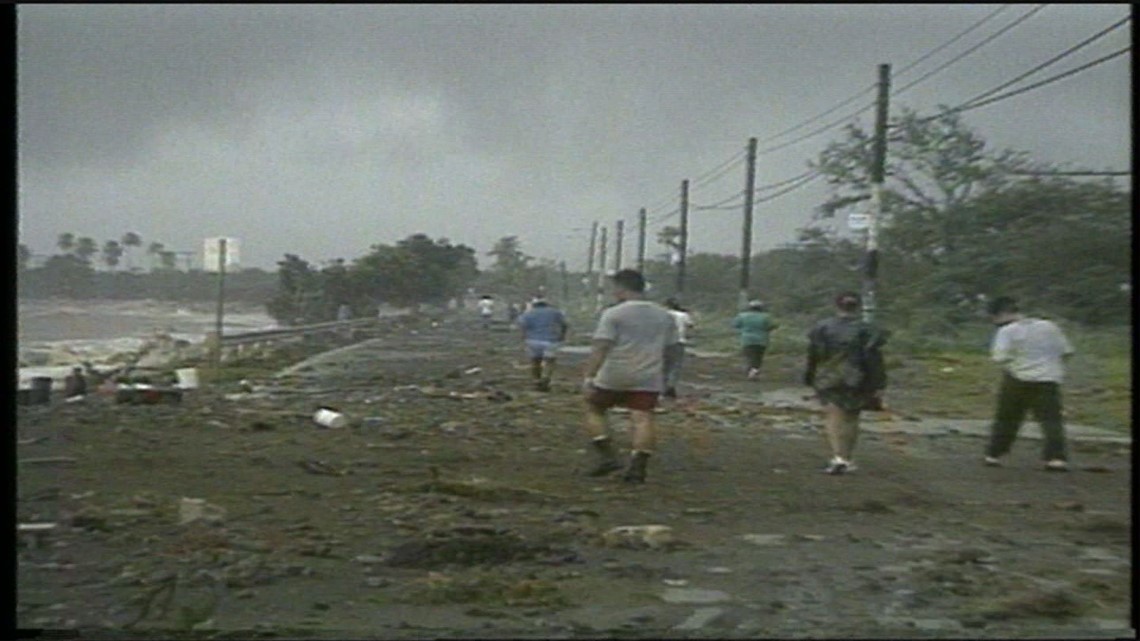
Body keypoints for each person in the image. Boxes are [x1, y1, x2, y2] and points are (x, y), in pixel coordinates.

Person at [580, 269, 678, 484]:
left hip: (614, 373)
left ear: (621, 288)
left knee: (594, 408)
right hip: (648, 375)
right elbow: (672, 350)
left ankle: (607, 456)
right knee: (643, 418)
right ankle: (638, 467)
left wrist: (589, 376)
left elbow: (601, 346)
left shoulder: (614, 314)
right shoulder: (665, 315)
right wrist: (667, 378)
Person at [983, 296, 1075, 471]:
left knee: (1007, 418)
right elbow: (1066, 351)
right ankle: (1056, 458)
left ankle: (994, 454)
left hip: (1017, 378)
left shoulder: (1007, 331)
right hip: (1048, 379)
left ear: (1001, 314)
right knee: (1051, 420)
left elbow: (999, 357)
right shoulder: (1049, 326)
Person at [803, 291, 888, 475]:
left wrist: (809, 377)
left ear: (836, 305)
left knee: (833, 416)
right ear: (857, 307)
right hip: (858, 378)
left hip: (829, 376)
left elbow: (813, 355)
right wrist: (879, 384)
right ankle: (847, 457)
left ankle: (838, 456)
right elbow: (874, 359)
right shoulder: (868, 330)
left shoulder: (821, 328)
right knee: (851, 417)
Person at [517, 297, 569, 391]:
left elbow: (523, 326)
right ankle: (546, 379)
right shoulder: (555, 312)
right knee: (550, 361)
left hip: (533, 340)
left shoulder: (528, 313)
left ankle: (536, 380)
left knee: (535, 361)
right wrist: (562, 335)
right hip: (551, 340)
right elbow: (564, 324)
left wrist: (524, 337)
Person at [732, 300, 779, 380]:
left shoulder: (742, 316)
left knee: (749, 356)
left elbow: (735, 324)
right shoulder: (766, 317)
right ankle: (754, 370)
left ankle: (750, 370)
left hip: (747, 340)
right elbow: (773, 326)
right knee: (758, 357)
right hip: (761, 340)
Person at [662, 298, 694, 399]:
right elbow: (690, 326)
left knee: (663, 365)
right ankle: (671, 386)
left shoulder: (662, 314)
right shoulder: (683, 315)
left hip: (663, 342)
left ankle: (662, 386)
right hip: (678, 341)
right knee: (675, 365)